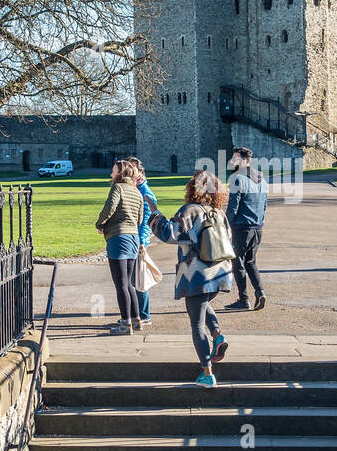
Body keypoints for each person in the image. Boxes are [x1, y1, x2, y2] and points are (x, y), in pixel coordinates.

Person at [146, 169, 234, 388]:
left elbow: (169, 234)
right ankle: (218, 336)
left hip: (196, 274)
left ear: (193, 188)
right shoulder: (218, 211)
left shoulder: (190, 211)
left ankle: (207, 373)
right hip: (219, 273)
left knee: (196, 323)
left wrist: (154, 213)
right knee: (203, 306)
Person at [95, 159, 144, 334]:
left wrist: (100, 224)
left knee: (121, 284)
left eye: (114, 171)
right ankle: (136, 319)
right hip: (133, 238)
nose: (111, 174)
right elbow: (139, 218)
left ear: (121, 173)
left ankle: (125, 324)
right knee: (128, 283)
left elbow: (109, 208)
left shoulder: (118, 188)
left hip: (119, 238)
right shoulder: (136, 192)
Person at [224, 146, 268, 311]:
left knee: (238, 263)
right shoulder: (261, 179)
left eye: (235, 158)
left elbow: (233, 207)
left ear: (244, 161)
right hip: (257, 227)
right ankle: (260, 291)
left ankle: (244, 299)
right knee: (251, 262)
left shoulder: (237, 178)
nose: (232, 161)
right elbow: (264, 206)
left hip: (242, 227)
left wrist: (225, 225)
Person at [125, 156, 157, 329]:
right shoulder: (136, 189)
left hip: (139, 240)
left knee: (139, 279)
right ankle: (135, 314)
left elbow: (148, 219)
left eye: (132, 169)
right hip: (133, 238)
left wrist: (142, 241)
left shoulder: (145, 191)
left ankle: (144, 315)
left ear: (139, 171)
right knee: (131, 279)